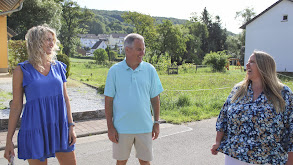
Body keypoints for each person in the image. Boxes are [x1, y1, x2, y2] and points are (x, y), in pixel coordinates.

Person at [4, 25, 77, 165]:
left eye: (52, 40)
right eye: (47, 40)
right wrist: (9, 140)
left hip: (59, 127)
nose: (52, 43)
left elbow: (65, 99)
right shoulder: (22, 70)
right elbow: (16, 106)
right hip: (35, 128)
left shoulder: (59, 67)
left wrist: (71, 126)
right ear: (35, 42)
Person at [211, 51, 293, 165]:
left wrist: (290, 160)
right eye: (248, 62)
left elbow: (291, 129)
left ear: (264, 66)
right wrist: (217, 141)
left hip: (268, 158)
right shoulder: (238, 89)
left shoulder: (283, 93)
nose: (247, 65)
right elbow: (223, 117)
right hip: (235, 155)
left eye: (252, 62)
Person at [104, 33, 164, 165]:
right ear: (127, 50)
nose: (142, 53)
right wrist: (110, 127)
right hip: (121, 128)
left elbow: (155, 98)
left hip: (145, 127)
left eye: (143, 49)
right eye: (139, 49)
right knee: (121, 162)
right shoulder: (114, 71)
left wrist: (157, 123)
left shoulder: (150, 70)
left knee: (145, 162)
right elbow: (108, 100)